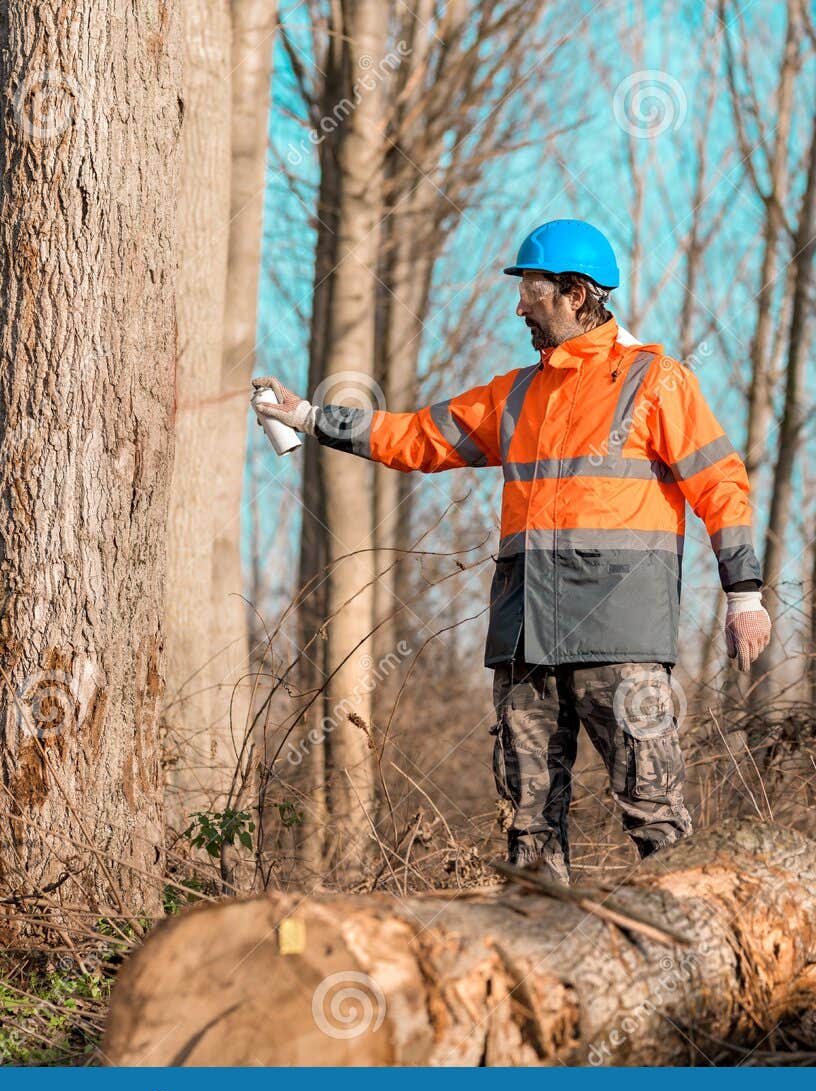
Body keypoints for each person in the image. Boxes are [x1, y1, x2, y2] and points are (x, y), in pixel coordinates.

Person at [253, 218, 771, 883]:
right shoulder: (515, 394)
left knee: (659, 823)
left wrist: (745, 596)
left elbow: (720, 483)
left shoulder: (656, 382)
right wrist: (306, 417)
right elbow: (414, 437)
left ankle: (700, 970)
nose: (519, 305)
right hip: (526, 644)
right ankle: (540, 967)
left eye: (532, 289)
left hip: (623, 647)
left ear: (576, 294)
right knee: (528, 831)